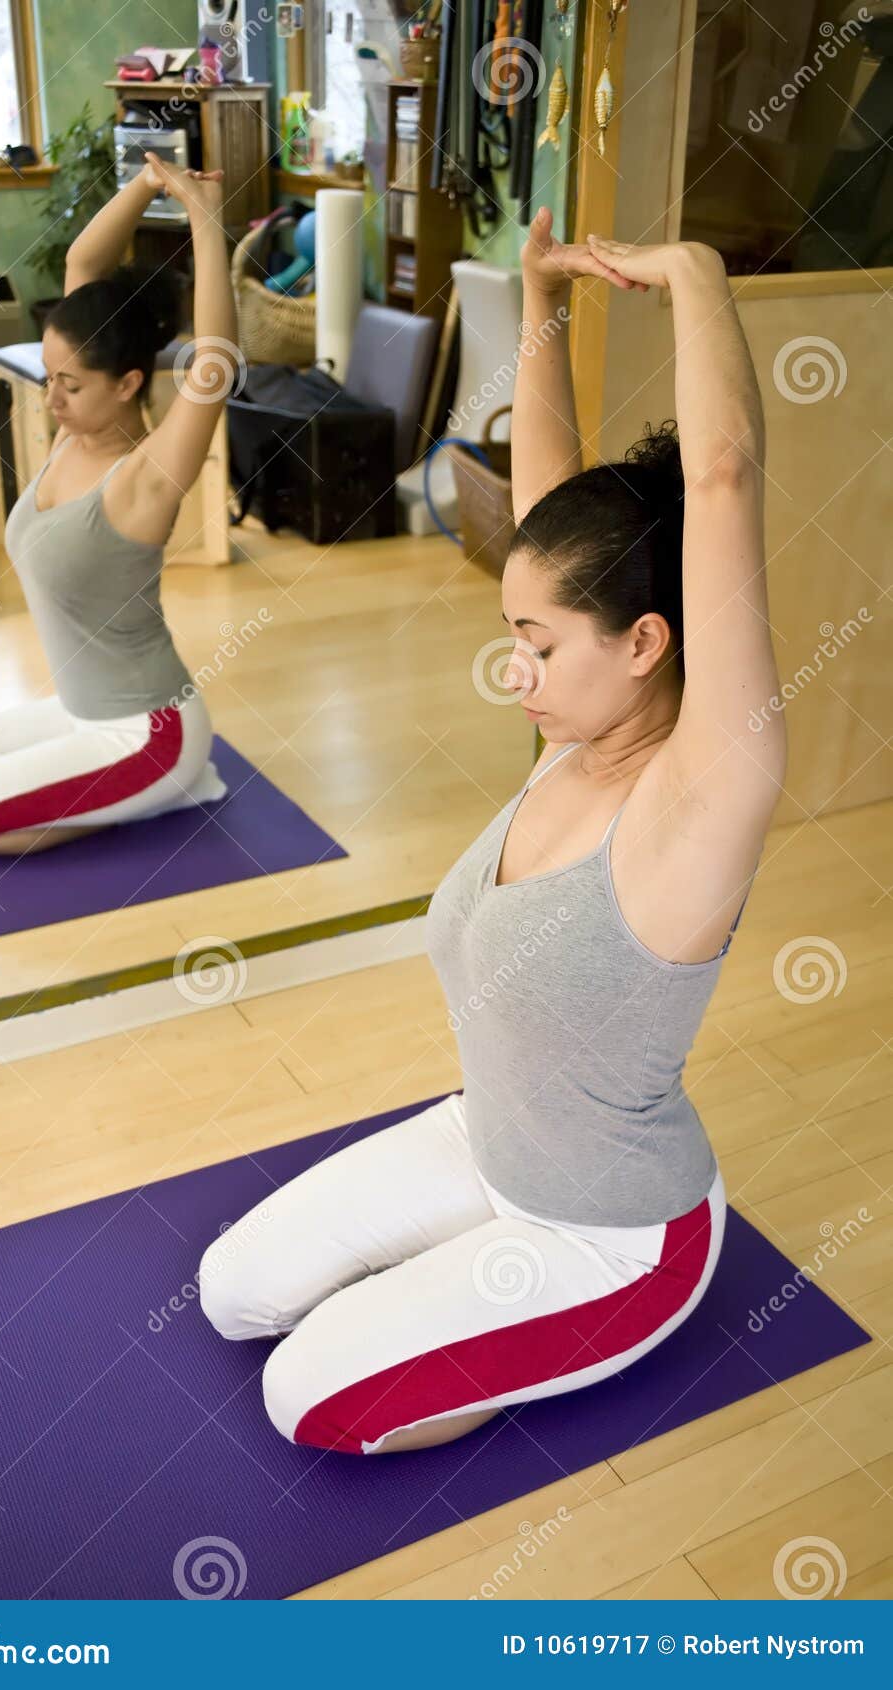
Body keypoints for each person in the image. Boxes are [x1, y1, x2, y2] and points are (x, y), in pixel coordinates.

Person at [197, 208, 788, 1456]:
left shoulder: (701, 799)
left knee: (307, 1398)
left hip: (610, 1231)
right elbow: (549, 500)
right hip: (487, 1136)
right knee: (229, 1290)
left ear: (645, 642)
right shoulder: (574, 733)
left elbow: (722, 478)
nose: (512, 669)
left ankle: (565, 1313)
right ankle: (458, 1274)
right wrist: (539, 295)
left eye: (537, 645)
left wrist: (693, 275)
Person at [0, 155, 238, 855]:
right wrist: (148, 183)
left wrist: (206, 219)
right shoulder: (71, 430)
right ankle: (137, 794)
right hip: (79, 711)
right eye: (50, 376)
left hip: (148, 731)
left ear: (128, 385)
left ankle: (162, 792)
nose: (51, 398)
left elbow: (216, 363)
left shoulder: (144, 476)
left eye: (71, 385)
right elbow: (85, 260)